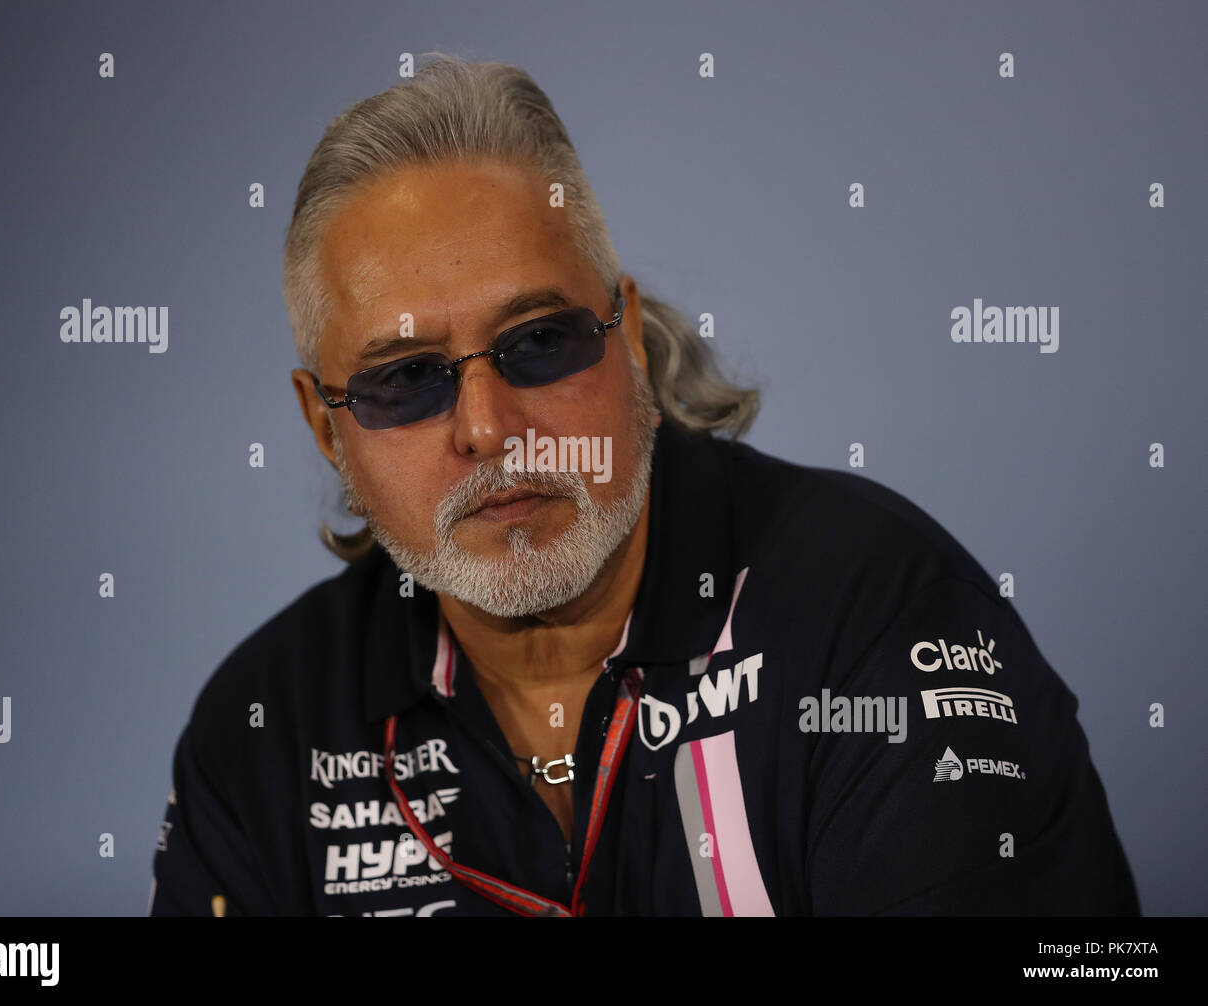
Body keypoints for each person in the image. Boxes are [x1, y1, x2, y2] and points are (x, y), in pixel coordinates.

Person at [148, 53, 1139, 916]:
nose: (490, 430)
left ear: (624, 334)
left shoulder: (878, 622)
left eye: (539, 342)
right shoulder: (263, 731)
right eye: (405, 380)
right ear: (326, 425)